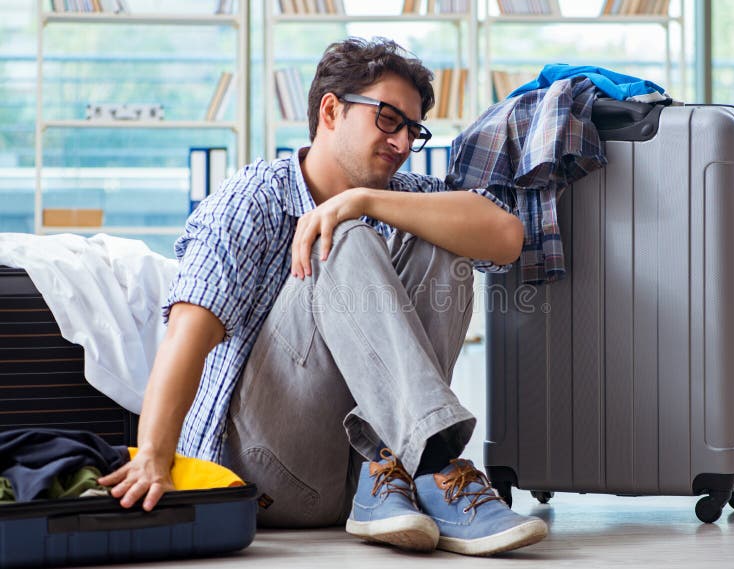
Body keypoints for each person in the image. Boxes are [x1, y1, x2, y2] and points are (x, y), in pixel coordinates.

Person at [99, 37, 547, 556]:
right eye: (387, 118)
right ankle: (436, 464)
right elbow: (188, 333)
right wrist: (155, 453)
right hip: (267, 471)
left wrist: (359, 199)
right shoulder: (254, 197)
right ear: (331, 110)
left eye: (412, 130)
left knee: (444, 243)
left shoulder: (400, 195)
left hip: (378, 484)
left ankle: (395, 472)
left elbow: (506, 238)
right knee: (342, 234)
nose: (402, 143)